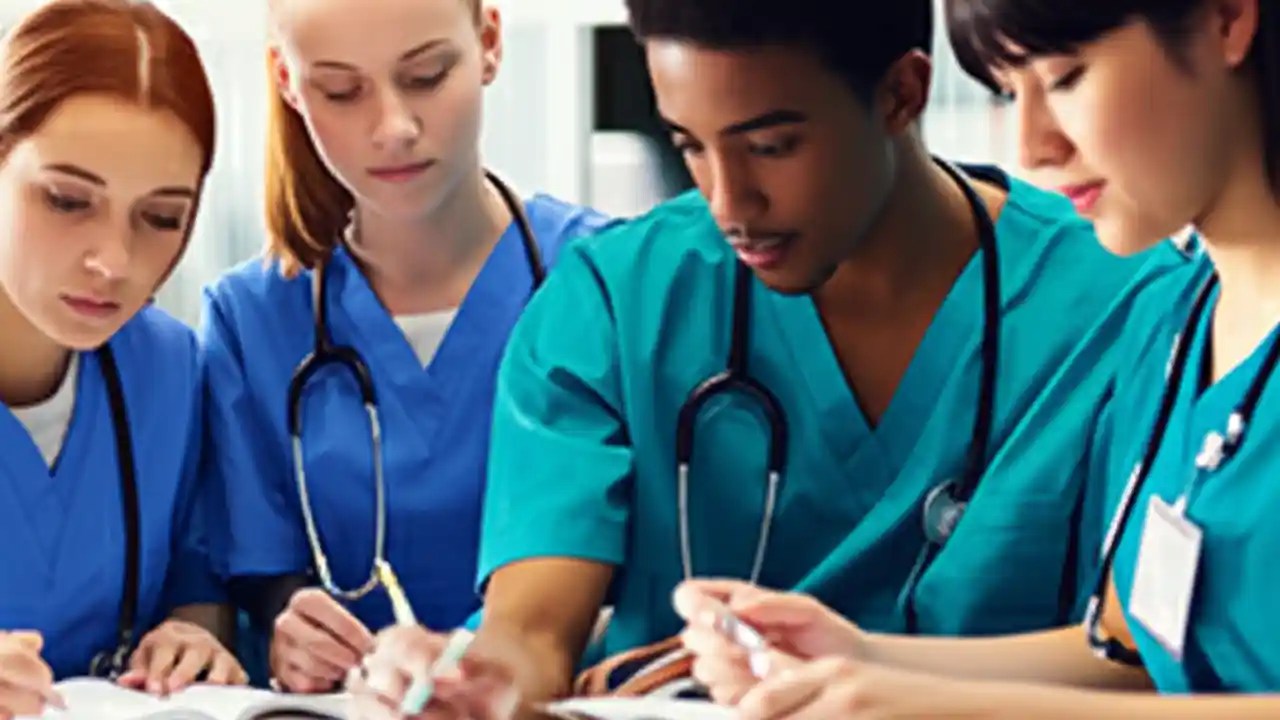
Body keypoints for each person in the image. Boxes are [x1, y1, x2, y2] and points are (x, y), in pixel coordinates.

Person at [347, 0, 1193, 715]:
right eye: (690, 145)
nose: (729, 202)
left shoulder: (1128, 303)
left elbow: (1141, 658)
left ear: (901, 94)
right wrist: (471, 679)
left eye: (772, 146)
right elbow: (532, 632)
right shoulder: (612, 303)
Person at [668, 0, 1280, 716]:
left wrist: (958, 712)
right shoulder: (1169, 324)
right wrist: (856, 659)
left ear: (1226, 19)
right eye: (1010, 92)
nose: (1032, 148)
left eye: (1066, 78)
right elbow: (1130, 657)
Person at [200, 0, 612, 694]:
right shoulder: (251, 320)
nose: (393, 127)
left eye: (425, 76)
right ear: (287, 82)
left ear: (489, 42)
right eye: (341, 91)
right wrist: (290, 628)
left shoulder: (605, 282)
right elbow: (257, 576)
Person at [0, 0, 247, 715]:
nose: (114, 261)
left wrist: (191, 640)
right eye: (67, 200)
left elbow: (195, 581)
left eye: (160, 217)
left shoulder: (168, 372)